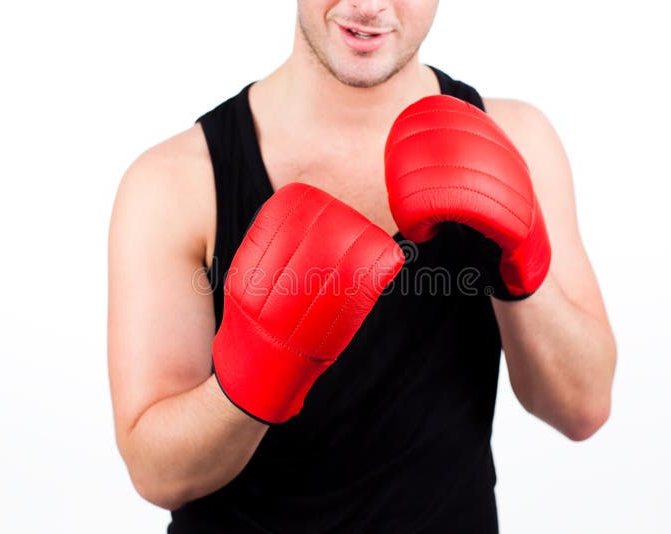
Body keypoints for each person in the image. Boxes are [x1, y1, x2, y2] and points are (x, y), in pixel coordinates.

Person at [108, 1, 617, 532]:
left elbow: (583, 408)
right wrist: (252, 378)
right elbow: (157, 474)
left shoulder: (516, 137)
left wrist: (521, 265)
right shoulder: (174, 183)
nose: (370, 6)